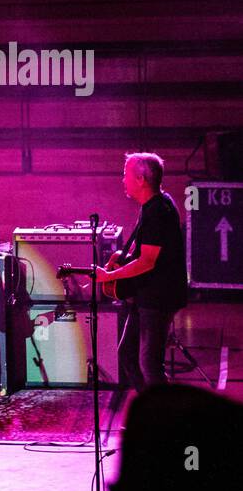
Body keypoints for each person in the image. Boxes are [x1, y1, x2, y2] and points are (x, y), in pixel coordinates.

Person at [96, 152, 188, 407]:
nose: (122, 179)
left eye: (126, 174)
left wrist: (110, 275)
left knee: (149, 363)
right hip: (146, 296)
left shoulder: (158, 211)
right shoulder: (155, 204)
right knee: (127, 355)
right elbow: (145, 243)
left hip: (158, 299)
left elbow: (148, 261)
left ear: (140, 179)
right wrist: (120, 254)